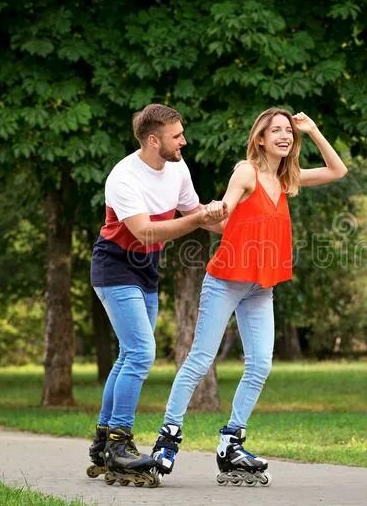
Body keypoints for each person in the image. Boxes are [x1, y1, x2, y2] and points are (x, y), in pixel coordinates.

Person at [151, 108, 348, 486]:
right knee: (200, 360)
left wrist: (314, 129)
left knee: (260, 364)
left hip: (261, 286)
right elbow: (226, 210)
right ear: (260, 138)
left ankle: (231, 441)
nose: (285, 135)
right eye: (276, 130)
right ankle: (168, 437)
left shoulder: (287, 179)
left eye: (288, 131)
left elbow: (337, 170)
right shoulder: (247, 171)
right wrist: (213, 211)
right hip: (226, 280)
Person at [87, 103, 227, 487]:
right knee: (140, 352)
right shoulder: (123, 176)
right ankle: (120, 442)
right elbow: (145, 232)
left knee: (127, 355)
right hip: (115, 266)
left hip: (146, 271)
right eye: (176, 135)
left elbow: (195, 210)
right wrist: (198, 220)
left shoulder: (178, 168)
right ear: (153, 140)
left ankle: (102, 441)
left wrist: (236, 227)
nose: (184, 140)